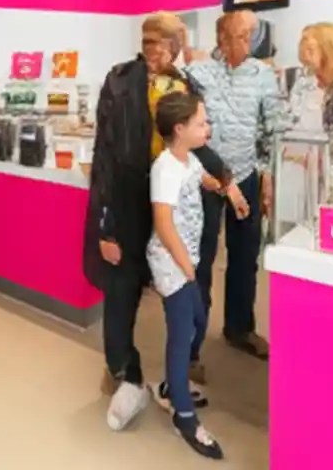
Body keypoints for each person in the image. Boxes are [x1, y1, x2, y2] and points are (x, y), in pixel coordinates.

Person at [83, 12, 248, 431]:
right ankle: (123, 370)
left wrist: (227, 182)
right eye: (146, 40)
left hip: (170, 204)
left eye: (161, 41)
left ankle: (180, 368)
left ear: (178, 44)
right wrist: (105, 224)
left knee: (183, 286)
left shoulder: (186, 88)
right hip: (125, 204)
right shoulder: (119, 81)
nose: (151, 49)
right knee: (121, 291)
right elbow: (103, 155)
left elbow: (195, 141)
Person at [186, 11, 289, 362]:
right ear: (221, 37)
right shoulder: (197, 74)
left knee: (246, 257)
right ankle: (191, 344)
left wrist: (267, 176)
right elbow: (185, 128)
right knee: (200, 259)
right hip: (207, 177)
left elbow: (272, 129)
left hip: (246, 174)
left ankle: (240, 328)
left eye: (250, 36)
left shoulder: (263, 76)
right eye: (238, 36)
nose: (245, 44)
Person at [148, 92, 224, 460]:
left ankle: (170, 387)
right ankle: (184, 415)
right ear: (180, 129)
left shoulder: (187, 158)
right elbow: (163, 223)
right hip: (172, 264)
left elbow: (202, 176)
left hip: (187, 262)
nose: (207, 127)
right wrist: (185, 265)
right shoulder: (164, 168)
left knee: (198, 319)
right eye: (201, 123)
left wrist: (218, 185)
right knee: (182, 335)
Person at [269, 22, 333, 222]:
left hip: (332, 178)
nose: (305, 56)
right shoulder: (297, 82)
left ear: (330, 49)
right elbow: (278, 127)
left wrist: (320, 158)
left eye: (311, 49)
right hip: (295, 175)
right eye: (303, 49)